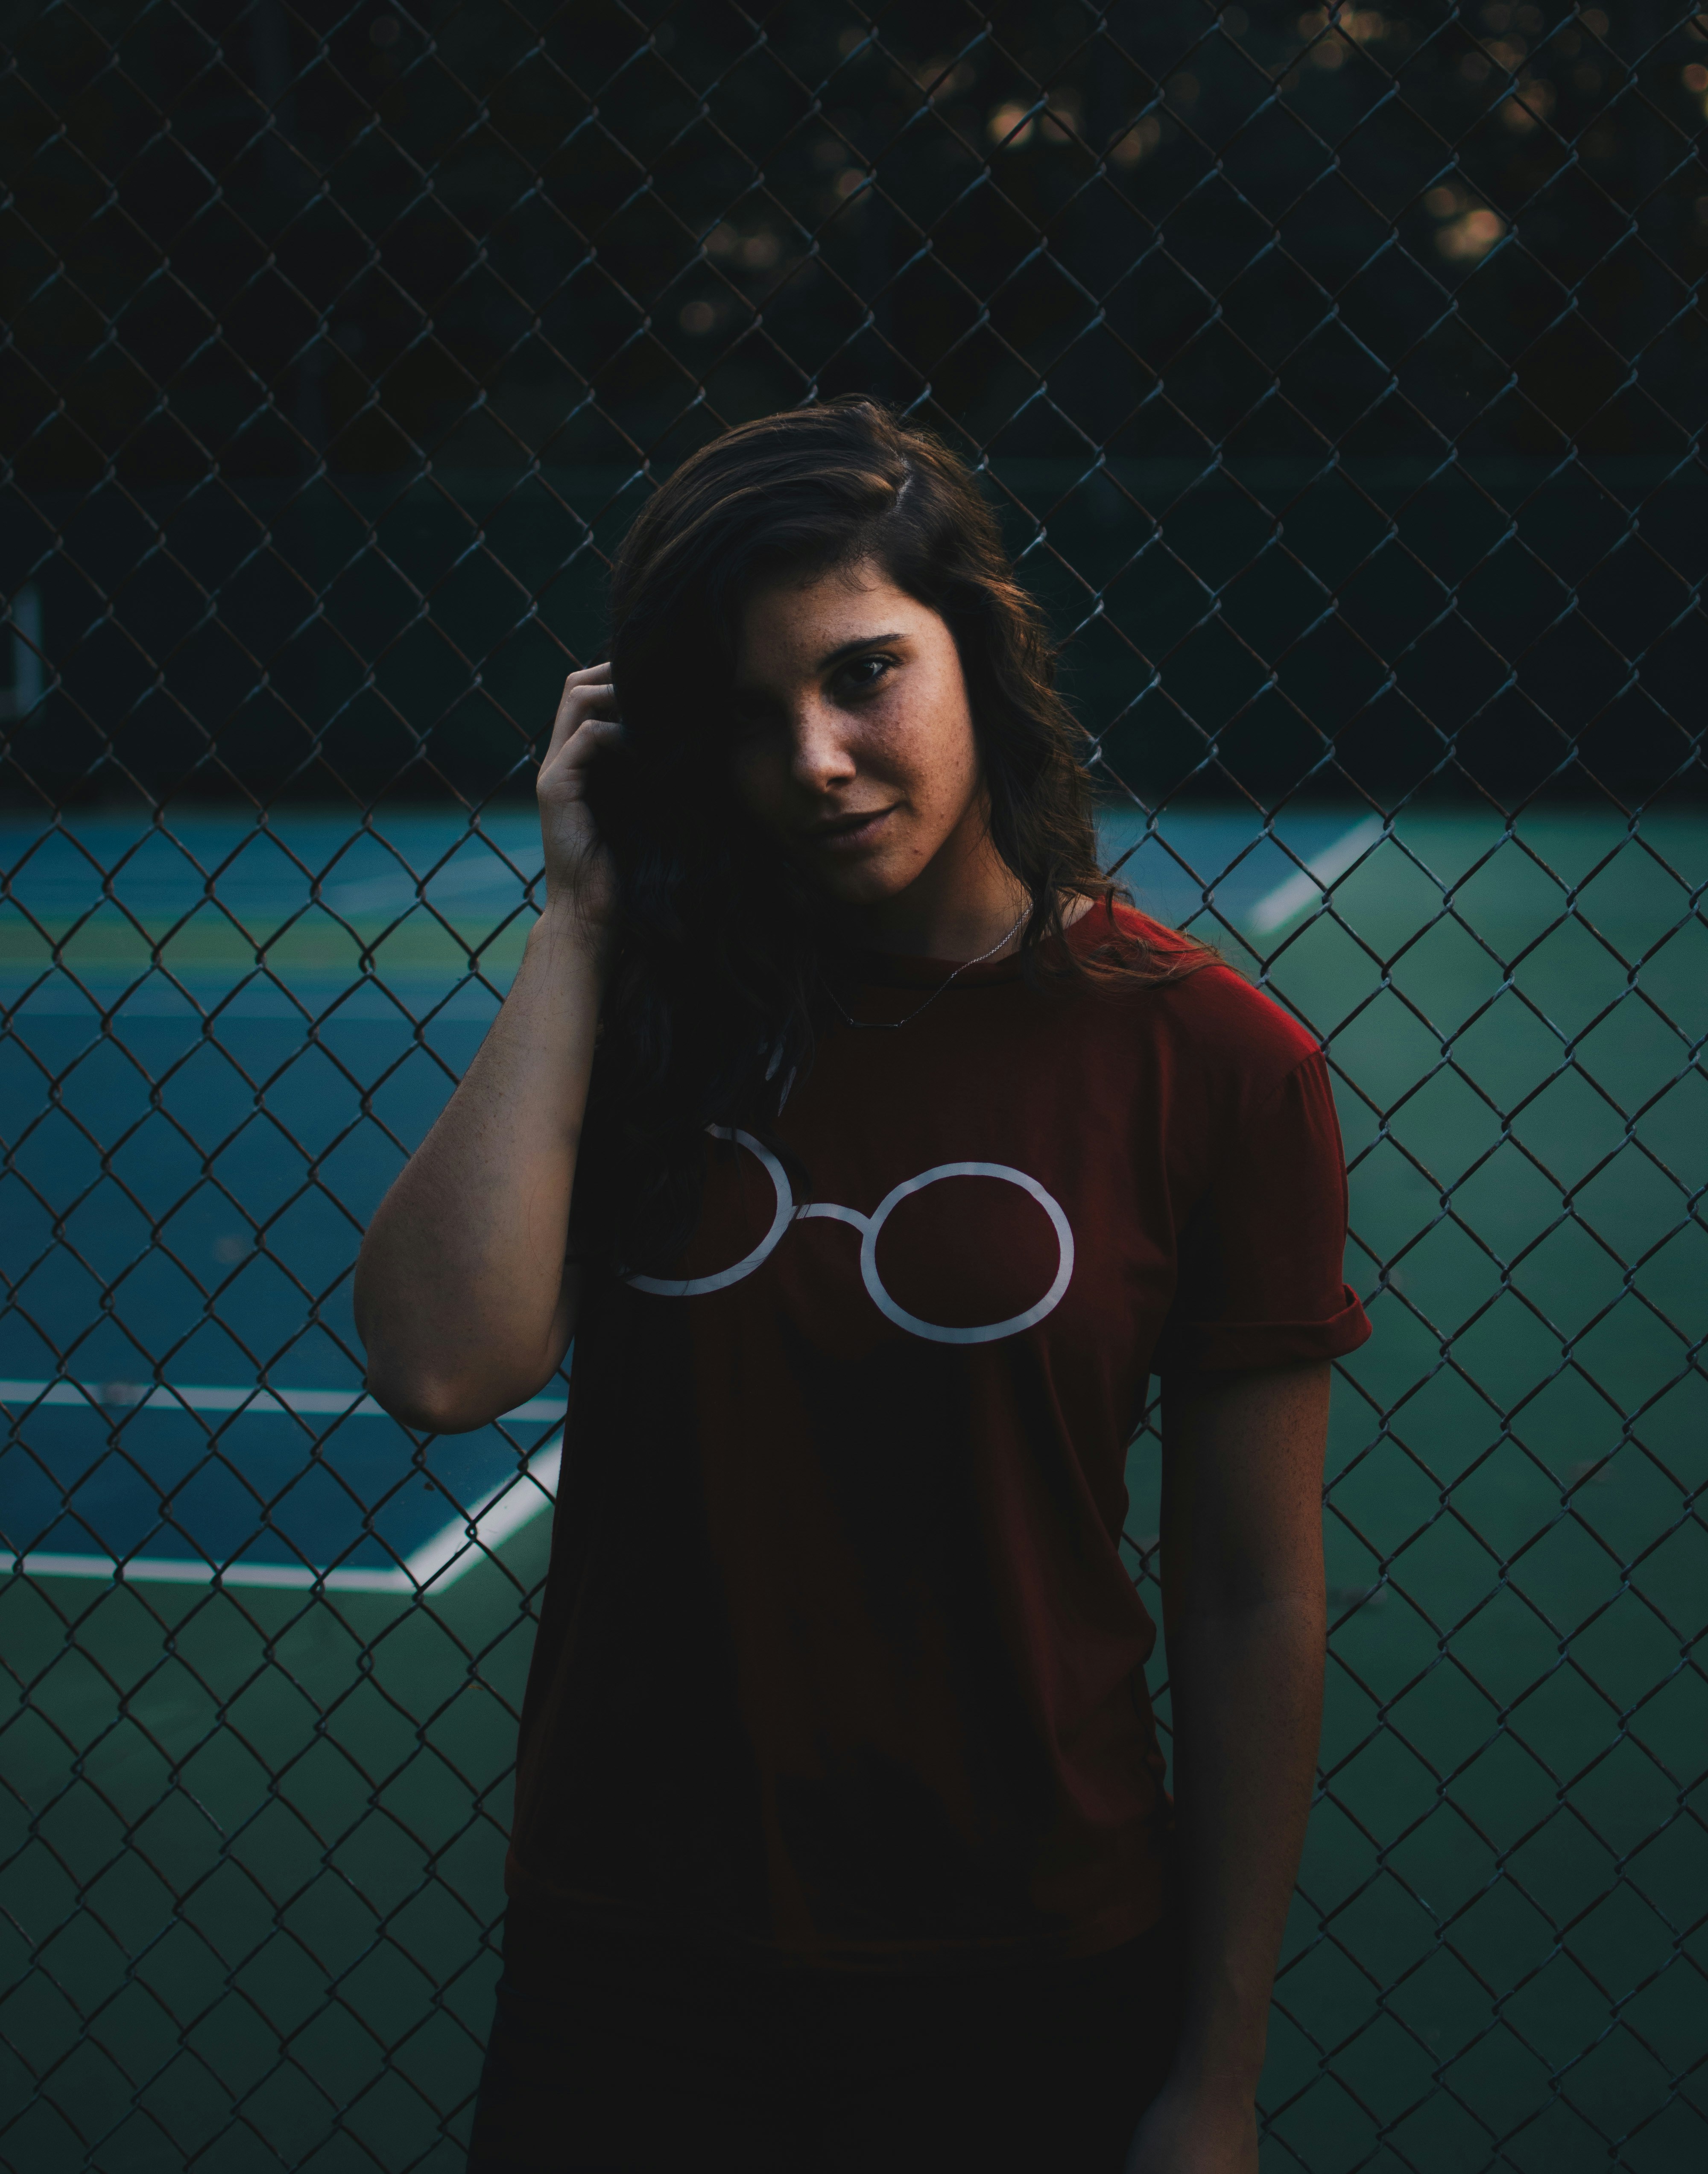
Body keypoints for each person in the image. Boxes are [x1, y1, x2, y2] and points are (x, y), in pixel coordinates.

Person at [355, 399, 1372, 2173]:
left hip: (1027, 1961)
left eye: (863, 676)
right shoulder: (661, 1011)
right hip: (632, 1951)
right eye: (749, 716)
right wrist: (580, 918)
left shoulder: (1214, 1064)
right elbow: (442, 1365)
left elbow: (1248, 1595)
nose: (814, 757)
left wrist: (1217, 2073)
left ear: (978, 650)